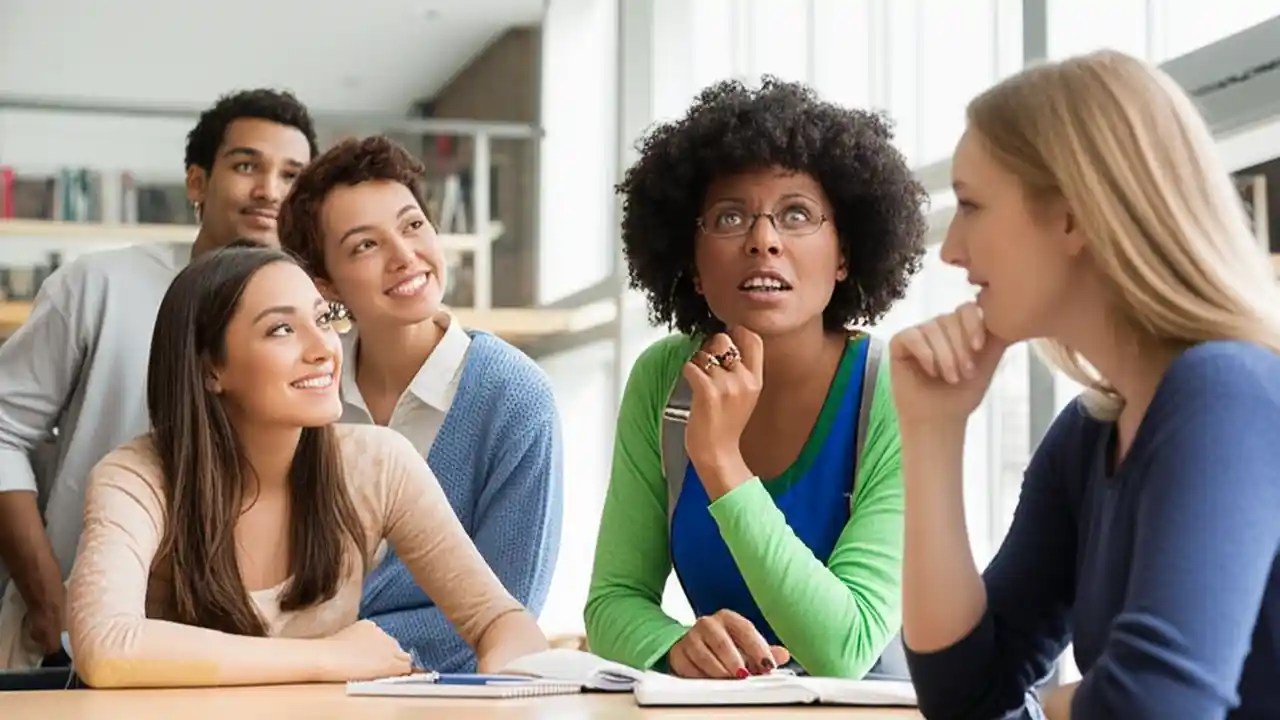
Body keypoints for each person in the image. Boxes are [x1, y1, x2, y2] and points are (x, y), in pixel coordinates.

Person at [896, 50, 1280, 720]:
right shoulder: (1089, 434)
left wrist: (1073, 702)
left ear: (1074, 216)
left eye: (971, 205)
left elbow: (1155, 706)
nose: (951, 250)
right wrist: (933, 430)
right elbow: (967, 698)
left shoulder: (1227, 392)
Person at [65, 243, 548, 688]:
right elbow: (106, 647)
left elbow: (500, 620)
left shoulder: (379, 464)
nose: (323, 349)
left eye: (324, 319)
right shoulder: (136, 478)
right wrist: (330, 657)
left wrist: (504, 686)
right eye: (281, 329)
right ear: (212, 368)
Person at [585, 77, 927, 680]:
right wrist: (675, 645)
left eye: (796, 214)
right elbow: (612, 602)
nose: (763, 240)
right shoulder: (664, 381)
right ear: (691, 262)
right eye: (730, 216)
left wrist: (720, 462)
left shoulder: (897, 389)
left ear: (844, 253)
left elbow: (846, 649)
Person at [0, 89, 318, 669]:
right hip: (66, 645)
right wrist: (48, 596)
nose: (270, 190)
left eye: (291, 175)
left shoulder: (319, 329)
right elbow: (2, 432)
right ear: (197, 183)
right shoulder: (98, 286)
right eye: (247, 165)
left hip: (232, 657)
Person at [277, 135, 562, 672]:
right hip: (291, 695)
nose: (405, 256)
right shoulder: (302, 392)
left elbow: (508, 609)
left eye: (412, 225)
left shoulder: (516, 399)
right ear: (324, 284)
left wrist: (337, 650)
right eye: (365, 245)